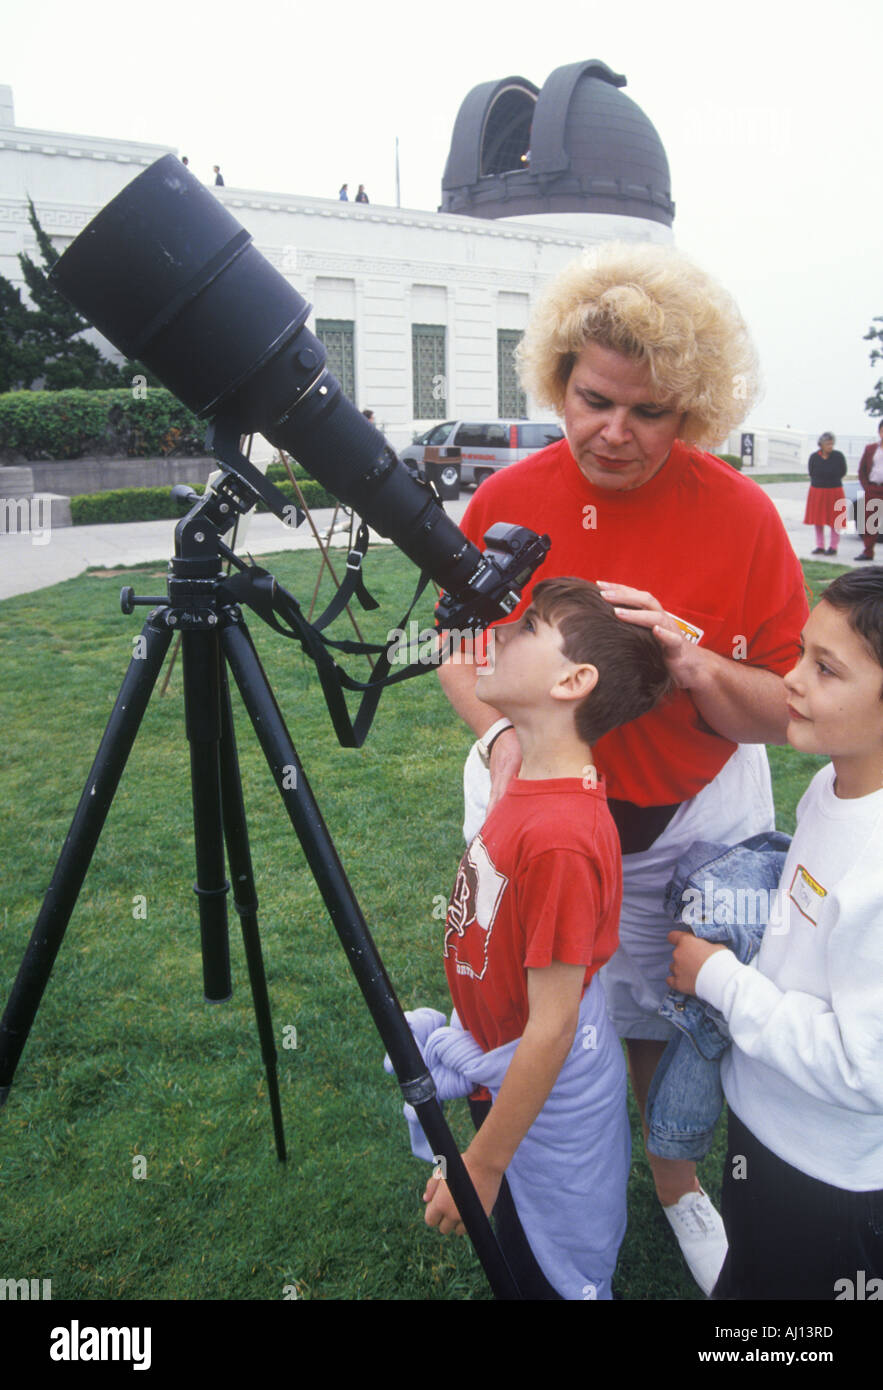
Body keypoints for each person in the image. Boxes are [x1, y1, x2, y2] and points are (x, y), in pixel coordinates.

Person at [437, 241, 809, 1295]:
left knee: (676, 1011)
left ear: (689, 411)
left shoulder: (740, 517)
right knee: (538, 1005)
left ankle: (676, 1178)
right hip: (538, 813)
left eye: (648, 413)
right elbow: (458, 650)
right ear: (558, 378)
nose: (614, 430)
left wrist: (690, 660)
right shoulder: (506, 498)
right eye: (593, 398)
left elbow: (785, 710)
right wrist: (517, 749)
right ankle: (538, 1168)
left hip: (691, 812)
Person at [423, 577, 672, 1299]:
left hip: (536, 1080)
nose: (501, 630)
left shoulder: (560, 835)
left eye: (527, 625)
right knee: (518, 1241)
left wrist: (484, 1163)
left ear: (573, 680)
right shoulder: (526, 788)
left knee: (540, 1265)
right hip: (497, 1063)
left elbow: (552, 1026)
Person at [667, 568, 883, 1299]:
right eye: (798, 653)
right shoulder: (834, 782)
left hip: (826, 1178)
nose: (788, 680)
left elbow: (865, 1070)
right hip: (762, 1125)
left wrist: (720, 981)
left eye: (824, 669)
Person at [804, 431, 846, 555]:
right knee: (818, 520)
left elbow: (843, 471)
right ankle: (820, 545)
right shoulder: (814, 457)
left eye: (832, 444)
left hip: (834, 490)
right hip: (817, 490)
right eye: (828, 444)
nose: (830, 446)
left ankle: (833, 546)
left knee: (835, 520)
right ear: (821, 444)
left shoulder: (838, 456)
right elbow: (811, 471)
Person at [857, 420, 883, 561]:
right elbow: (862, 470)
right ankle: (868, 552)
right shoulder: (870, 449)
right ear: (879, 432)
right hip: (873, 488)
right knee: (870, 521)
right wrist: (867, 487)